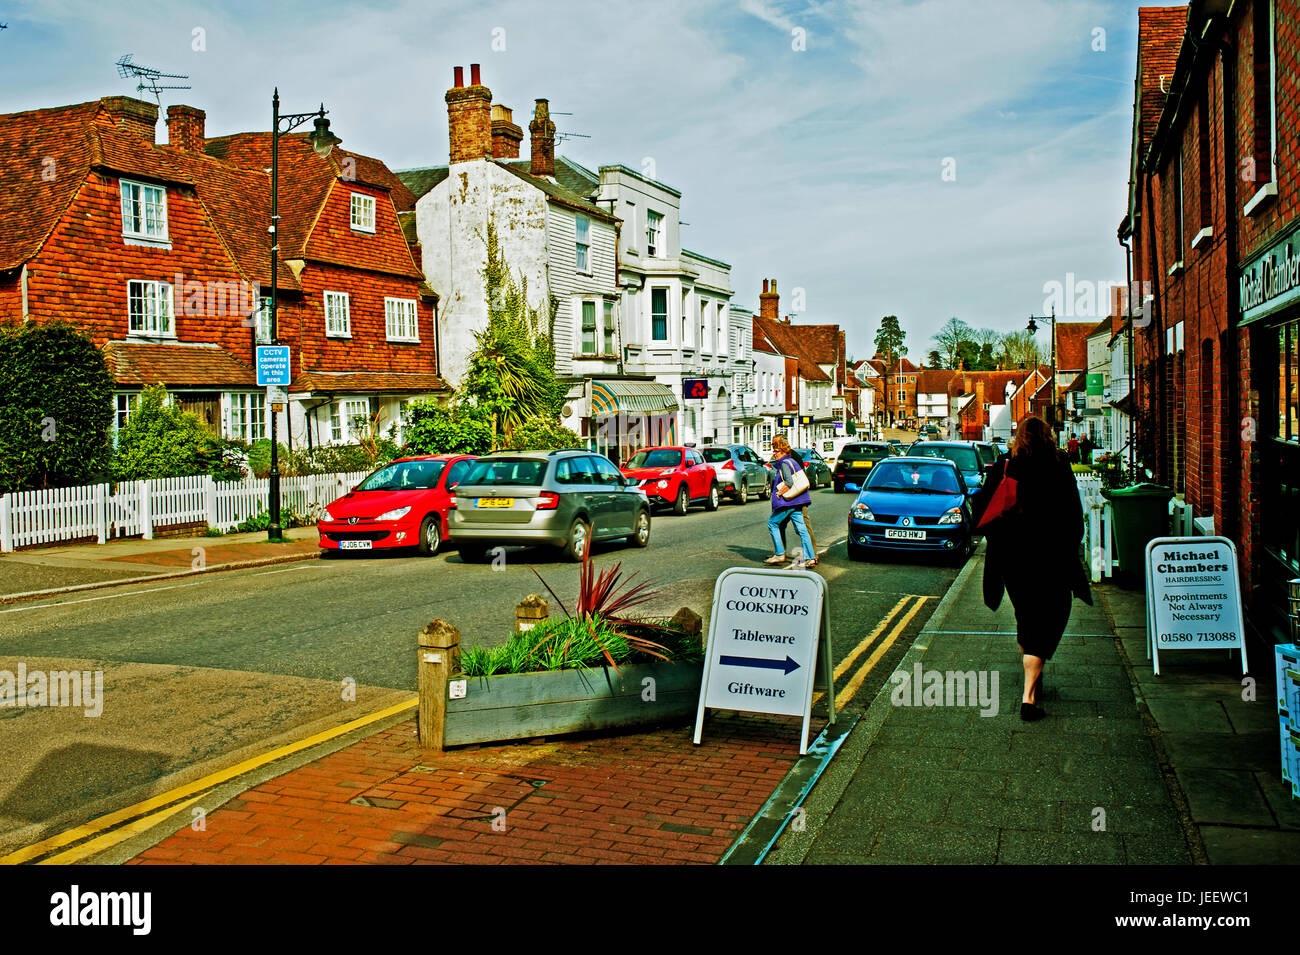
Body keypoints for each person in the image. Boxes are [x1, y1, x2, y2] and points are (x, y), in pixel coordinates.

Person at [974, 415, 1091, 721]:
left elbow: (982, 510)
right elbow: (1073, 515)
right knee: (1052, 614)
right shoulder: (1058, 466)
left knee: (1027, 616)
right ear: (1048, 437)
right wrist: (1069, 547)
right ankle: (1028, 698)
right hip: (1051, 558)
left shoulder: (1005, 466)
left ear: (1019, 437)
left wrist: (1002, 539)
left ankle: (1034, 681)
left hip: (1014, 559)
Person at [765, 434, 816, 567]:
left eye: (776, 451)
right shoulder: (792, 461)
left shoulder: (784, 463)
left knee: (772, 523)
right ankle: (810, 557)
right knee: (802, 529)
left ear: (782, 451)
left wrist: (779, 493)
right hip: (798, 501)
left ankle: (779, 554)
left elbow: (788, 482)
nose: (774, 453)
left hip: (788, 502)